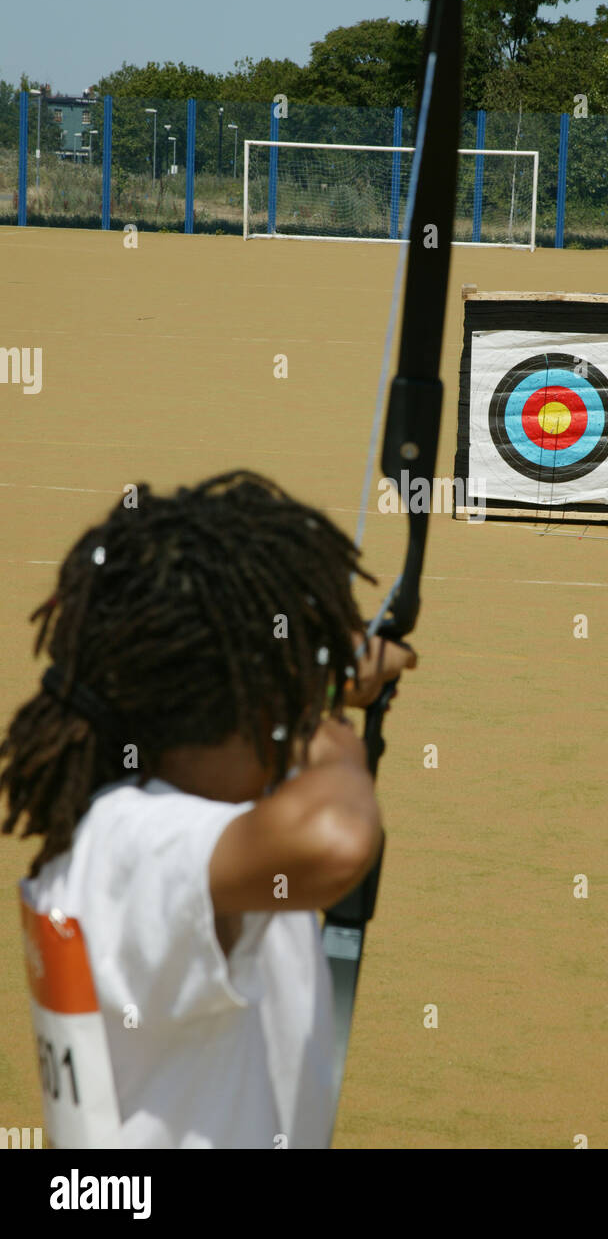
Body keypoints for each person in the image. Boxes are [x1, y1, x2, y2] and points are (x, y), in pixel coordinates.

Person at [0, 469, 416, 1148]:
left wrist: (310, 686)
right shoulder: (129, 841)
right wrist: (321, 718)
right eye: (272, 708)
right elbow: (335, 837)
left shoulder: (148, 822)